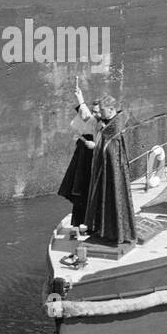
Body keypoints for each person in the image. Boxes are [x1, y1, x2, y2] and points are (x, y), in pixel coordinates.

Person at [82, 94, 137, 246]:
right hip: (107, 169)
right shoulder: (109, 121)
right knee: (105, 197)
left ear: (111, 109)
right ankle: (104, 230)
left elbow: (111, 148)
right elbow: (93, 121)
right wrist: (80, 99)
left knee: (115, 198)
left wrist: (95, 146)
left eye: (101, 110)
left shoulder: (116, 125)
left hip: (114, 171)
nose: (98, 114)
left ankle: (117, 232)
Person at [57, 79, 99, 227]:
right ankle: (81, 222)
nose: (94, 115)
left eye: (97, 112)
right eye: (93, 112)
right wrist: (80, 99)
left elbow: (88, 117)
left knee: (91, 193)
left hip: (95, 164)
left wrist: (80, 100)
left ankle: (92, 223)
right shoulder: (92, 124)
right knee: (81, 191)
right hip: (85, 163)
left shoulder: (100, 124)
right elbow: (86, 116)